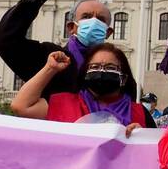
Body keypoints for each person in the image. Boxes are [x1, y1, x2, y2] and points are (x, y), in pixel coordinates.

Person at [0, 0, 113, 97]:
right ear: (71, 27)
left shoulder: (116, 68)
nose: (93, 22)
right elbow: (3, 39)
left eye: (100, 19)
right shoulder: (51, 59)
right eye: (86, 17)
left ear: (108, 32)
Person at [11, 43, 151, 128]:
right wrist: (50, 68)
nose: (101, 71)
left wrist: (140, 136)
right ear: (85, 73)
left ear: (124, 77)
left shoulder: (139, 113)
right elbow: (21, 106)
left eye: (110, 67)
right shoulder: (62, 103)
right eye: (95, 66)